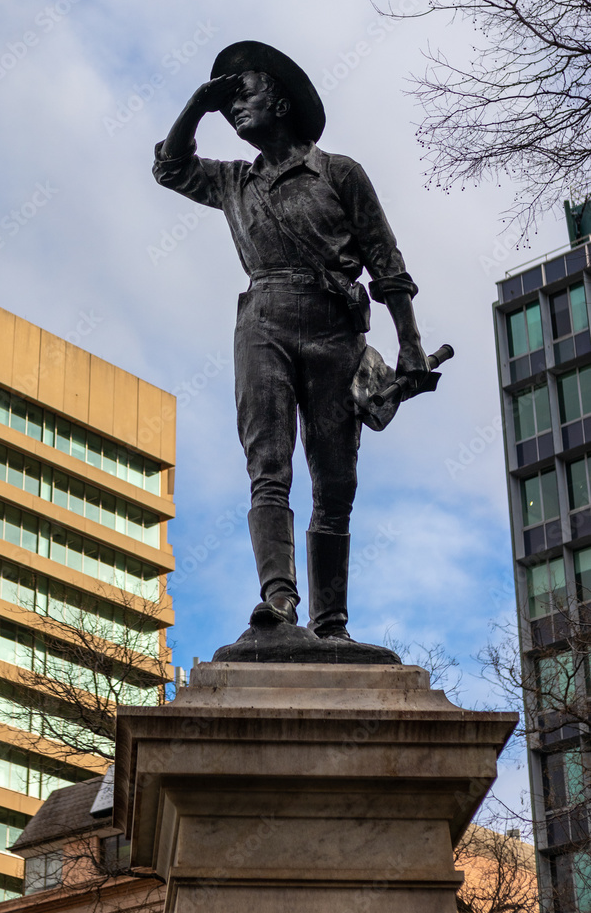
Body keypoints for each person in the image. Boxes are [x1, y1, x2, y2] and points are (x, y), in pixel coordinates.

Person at [154, 41, 428, 641]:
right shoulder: (232, 182)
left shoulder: (340, 172)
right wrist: (198, 106)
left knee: (335, 482)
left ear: (278, 98)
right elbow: (170, 168)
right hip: (264, 322)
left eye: (242, 95)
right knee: (268, 466)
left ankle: (332, 625)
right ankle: (278, 602)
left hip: (335, 328)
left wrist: (409, 344)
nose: (235, 111)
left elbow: (386, 263)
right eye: (227, 106)